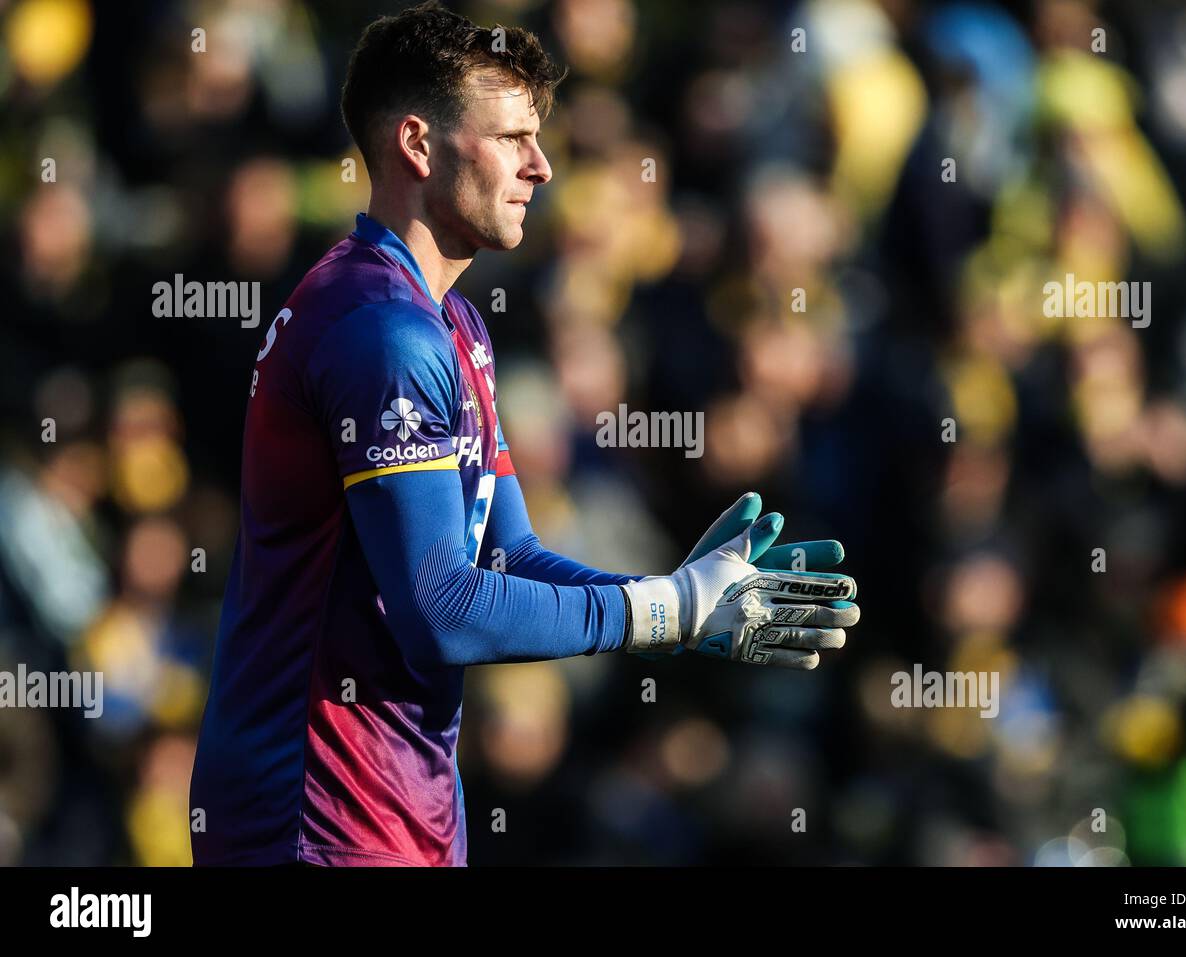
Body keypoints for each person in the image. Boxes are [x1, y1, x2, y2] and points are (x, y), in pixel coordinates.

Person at [190, 0, 860, 867]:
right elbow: (441, 608)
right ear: (418, 145)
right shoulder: (378, 334)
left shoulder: (453, 325)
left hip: (404, 812)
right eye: (511, 138)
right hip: (314, 823)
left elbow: (507, 558)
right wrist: (668, 607)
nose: (542, 167)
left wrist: (681, 598)